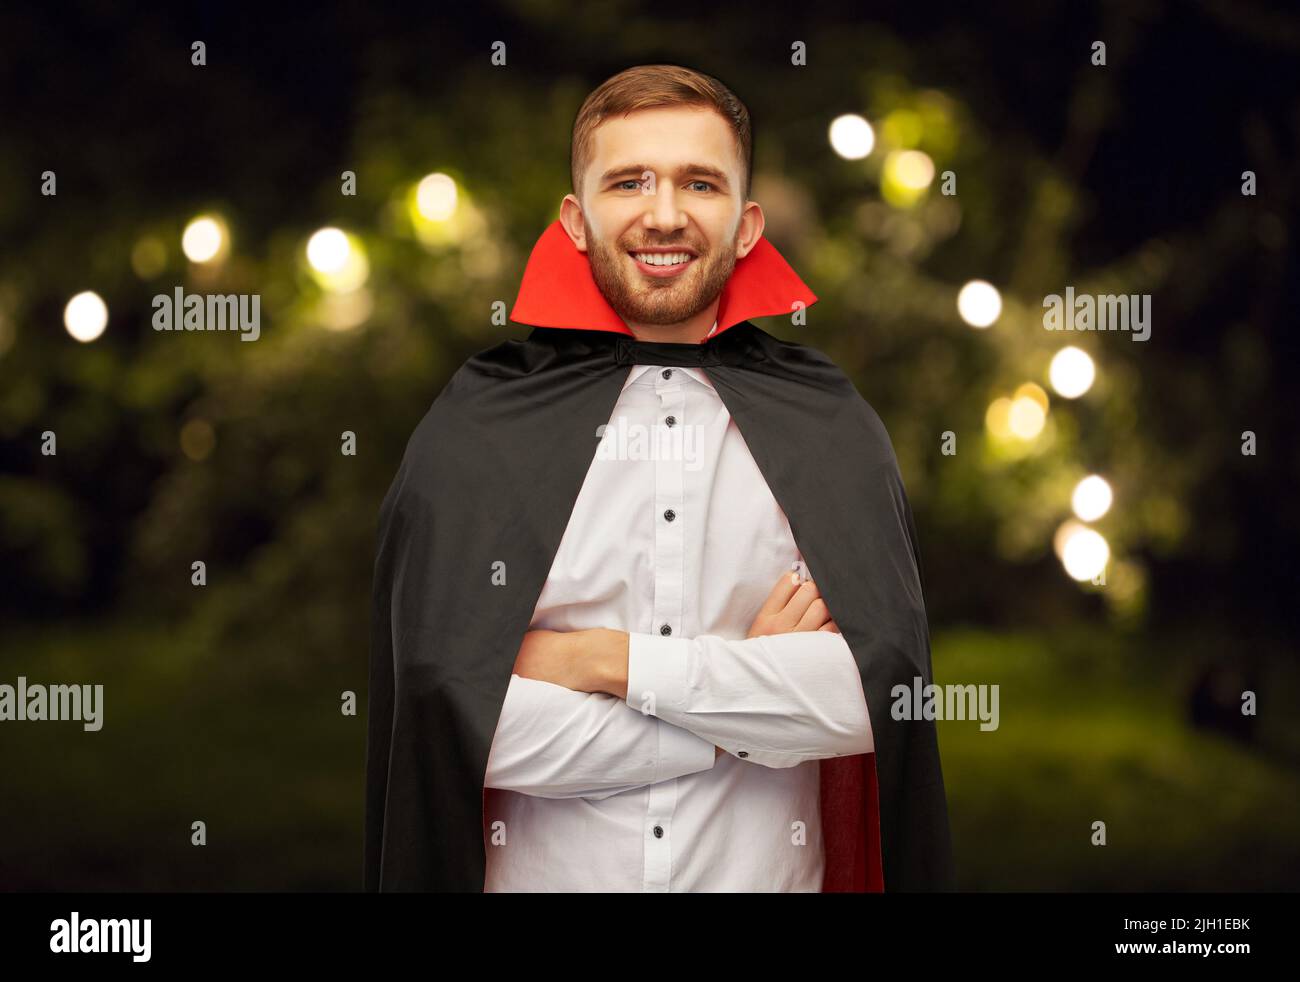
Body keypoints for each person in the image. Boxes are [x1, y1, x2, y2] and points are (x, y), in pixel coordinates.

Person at [365, 63, 954, 893]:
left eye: (700, 183)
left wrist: (599, 662)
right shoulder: (480, 425)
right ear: (575, 218)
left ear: (748, 224)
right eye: (629, 181)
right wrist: (743, 709)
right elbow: (455, 720)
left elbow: (873, 702)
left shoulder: (826, 422)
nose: (665, 213)